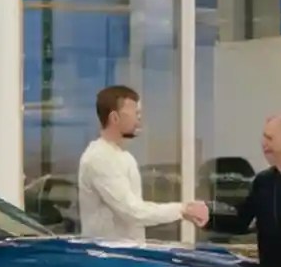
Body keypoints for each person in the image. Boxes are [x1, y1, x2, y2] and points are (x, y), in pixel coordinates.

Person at [191, 116, 281, 267]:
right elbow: (241, 220)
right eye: (263, 138)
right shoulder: (263, 181)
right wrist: (208, 216)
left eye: (270, 138)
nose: (264, 143)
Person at [77, 85, 203, 241]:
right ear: (114, 118)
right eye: (135, 113)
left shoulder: (123, 156)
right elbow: (132, 212)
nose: (139, 118)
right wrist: (183, 210)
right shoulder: (99, 158)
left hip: (125, 257)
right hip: (107, 259)